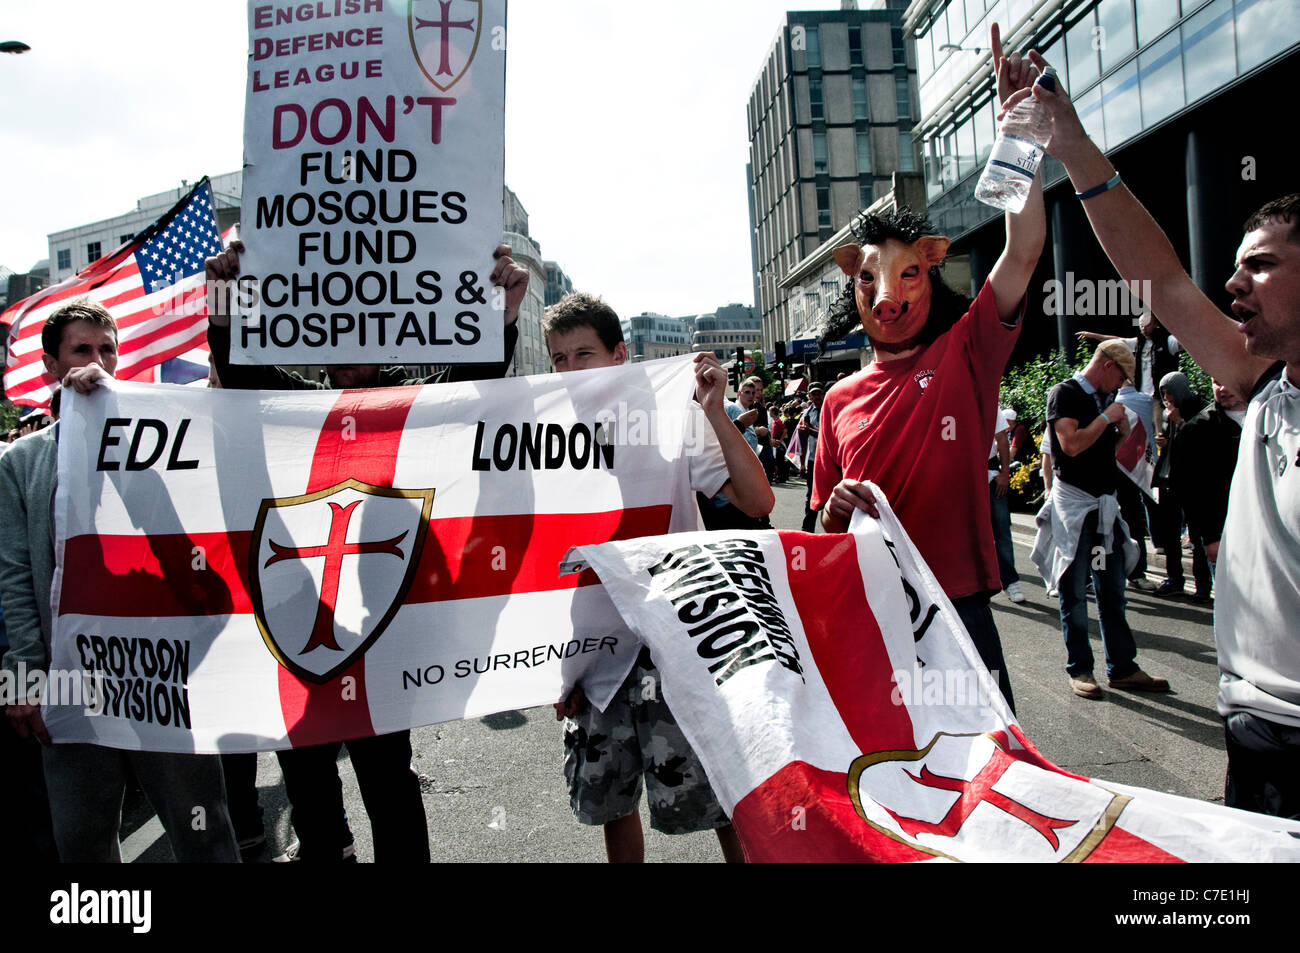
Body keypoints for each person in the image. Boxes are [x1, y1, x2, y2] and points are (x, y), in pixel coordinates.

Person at [1020, 64, 1296, 815]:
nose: (1233, 286)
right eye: (1235, 267)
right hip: (1253, 731)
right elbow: (1164, 282)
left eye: (1261, 266)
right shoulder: (1268, 385)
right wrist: (1068, 140)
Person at [205, 240, 528, 861]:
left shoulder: (408, 405)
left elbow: (469, 385)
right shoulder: (293, 401)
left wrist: (500, 313)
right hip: (299, 616)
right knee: (304, 771)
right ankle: (327, 851)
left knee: (388, 777)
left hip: (382, 623)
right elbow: (241, 376)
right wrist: (226, 301)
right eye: (337, 327)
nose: (352, 343)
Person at [812, 23, 1043, 713]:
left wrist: (1020, 128)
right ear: (853, 286)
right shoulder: (837, 400)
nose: (889, 295)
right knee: (892, 788)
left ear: (931, 271)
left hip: (960, 611)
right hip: (872, 613)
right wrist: (832, 507)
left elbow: (1025, 246)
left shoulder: (967, 351)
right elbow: (820, 523)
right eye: (872, 278)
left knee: (996, 778)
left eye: (908, 273)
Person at [0, 299, 240, 862]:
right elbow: (14, 577)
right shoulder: (20, 462)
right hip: (67, 675)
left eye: (107, 347)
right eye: (81, 349)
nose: (97, 360)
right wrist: (20, 681)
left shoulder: (150, 442)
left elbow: (176, 546)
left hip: (155, 665)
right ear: (50, 368)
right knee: (81, 838)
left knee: (202, 827)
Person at [544, 292, 771, 863]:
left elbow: (756, 498)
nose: (571, 371)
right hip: (596, 651)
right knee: (613, 805)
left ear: (621, 354)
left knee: (720, 792)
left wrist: (715, 412)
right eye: (558, 359)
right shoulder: (541, 435)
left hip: (677, 643)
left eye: (584, 355)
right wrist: (555, 665)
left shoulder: (673, 418)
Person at [1032, 341, 1172, 700]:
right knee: (1074, 592)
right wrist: (1107, 419)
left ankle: (1122, 668)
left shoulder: (1102, 402)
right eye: (1121, 376)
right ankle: (1080, 668)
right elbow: (1072, 445)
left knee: (1111, 591)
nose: (1120, 384)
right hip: (1076, 511)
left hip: (1102, 511)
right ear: (1107, 365)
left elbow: (1099, 453)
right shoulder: (1065, 394)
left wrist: (1122, 435)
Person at [1169, 377, 1244, 582]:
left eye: (1226, 378)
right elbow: (1187, 488)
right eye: (1217, 381)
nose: (1223, 388)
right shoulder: (1199, 428)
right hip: (1225, 536)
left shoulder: (1268, 414)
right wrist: (1211, 537)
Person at [1151, 372, 1211, 601]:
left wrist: (1180, 424)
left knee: (1197, 536)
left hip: (1192, 482)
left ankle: (1202, 584)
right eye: (1163, 393)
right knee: (1170, 534)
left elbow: (1201, 445)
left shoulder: (1201, 409)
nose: (1165, 398)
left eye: (1168, 392)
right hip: (1169, 479)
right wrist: (1165, 442)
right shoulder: (1167, 413)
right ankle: (1174, 579)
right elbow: (1173, 445)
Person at [989, 407, 1025, 603]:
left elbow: (1002, 439)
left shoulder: (990, 403)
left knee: (1001, 531)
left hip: (991, 476)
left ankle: (1010, 581)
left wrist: (1004, 473)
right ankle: (980, 584)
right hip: (966, 477)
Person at [798, 382, 824, 532]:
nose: (816, 397)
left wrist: (810, 431)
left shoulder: (830, 408)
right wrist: (802, 463)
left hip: (828, 460)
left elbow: (826, 434)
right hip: (813, 459)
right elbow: (802, 440)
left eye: (818, 393)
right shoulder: (807, 413)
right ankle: (807, 530)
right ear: (809, 396)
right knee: (811, 495)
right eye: (813, 394)